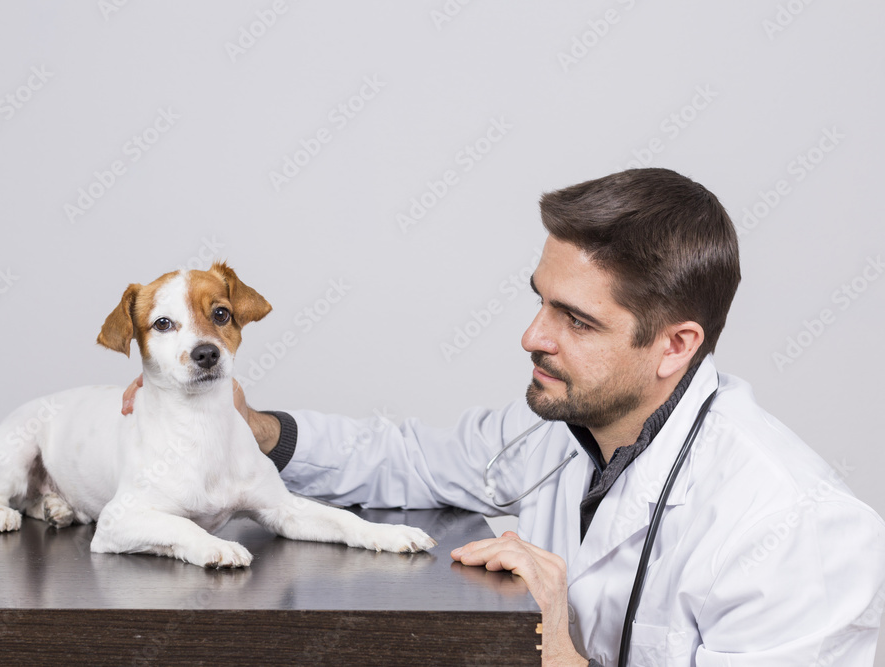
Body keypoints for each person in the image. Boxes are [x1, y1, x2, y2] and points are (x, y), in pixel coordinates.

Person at [123, 168, 885, 666]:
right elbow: (403, 458)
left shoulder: (799, 535)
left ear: (675, 344)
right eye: (539, 299)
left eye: (576, 320)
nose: (532, 336)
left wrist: (558, 651)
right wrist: (254, 429)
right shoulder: (557, 432)